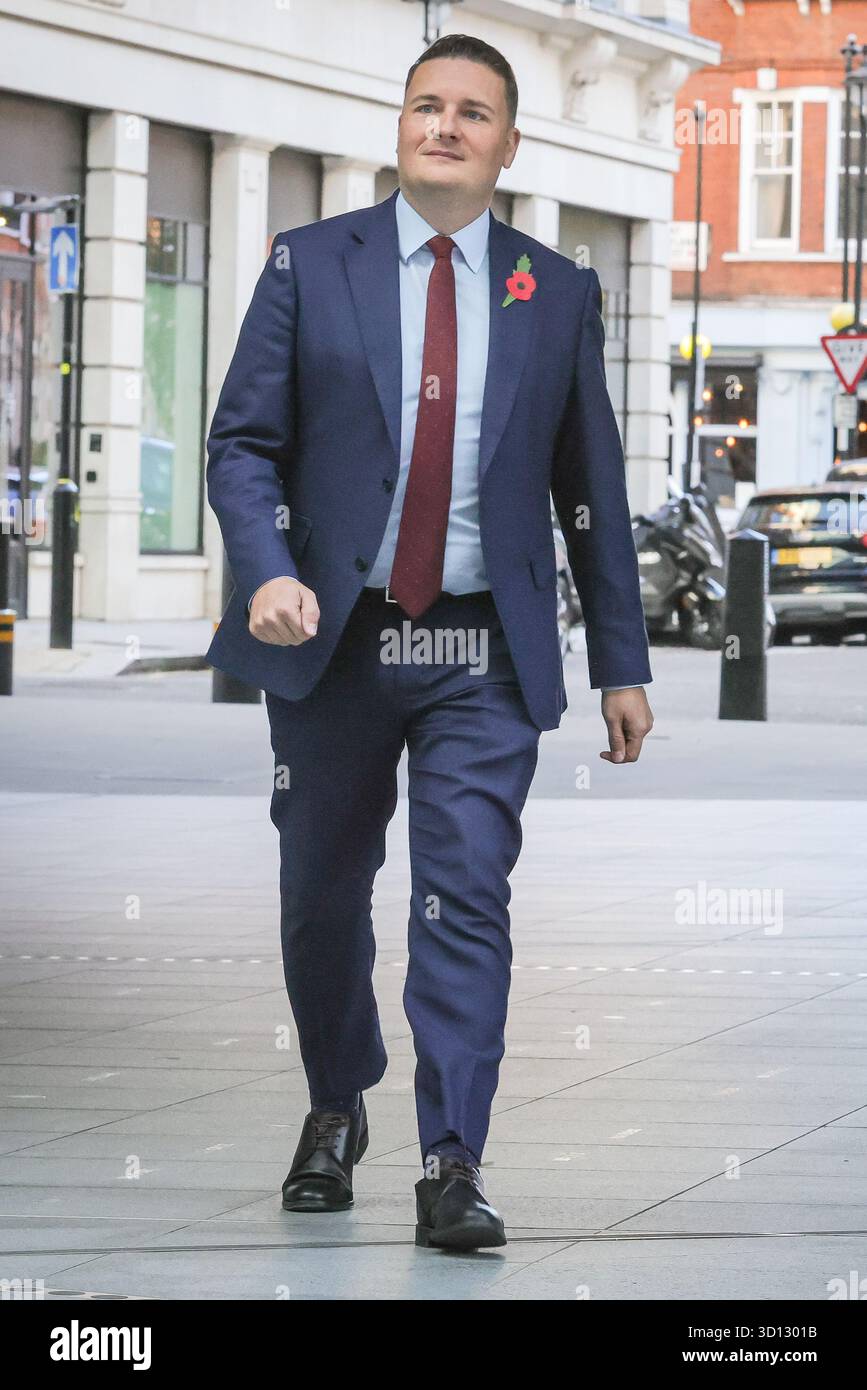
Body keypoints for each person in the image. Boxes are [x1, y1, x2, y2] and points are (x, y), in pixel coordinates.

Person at [206, 32, 654, 1251]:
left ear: (510, 144)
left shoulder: (553, 290)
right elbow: (241, 443)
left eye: (471, 112)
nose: (444, 126)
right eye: (424, 106)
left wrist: (622, 658)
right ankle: (334, 1106)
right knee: (320, 894)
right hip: (333, 641)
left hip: (481, 651)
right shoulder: (312, 264)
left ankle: (453, 1161)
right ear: (398, 127)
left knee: (464, 894)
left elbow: (589, 486)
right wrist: (272, 569)